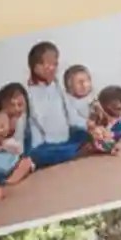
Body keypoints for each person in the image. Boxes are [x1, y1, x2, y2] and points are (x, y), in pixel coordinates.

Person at [23, 41, 89, 169]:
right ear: (36, 67)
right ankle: (74, 151)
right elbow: (34, 126)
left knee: (85, 134)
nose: (53, 68)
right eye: (48, 64)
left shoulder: (57, 86)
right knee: (39, 154)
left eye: (55, 64)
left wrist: (90, 125)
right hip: (45, 144)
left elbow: (71, 115)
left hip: (66, 139)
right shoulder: (28, 93)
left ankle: (76, 149)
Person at [86, 85, 121, 154]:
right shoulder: (99, 114)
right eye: (107, 108)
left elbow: (120, 133)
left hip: (110, 138)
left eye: (116, 107)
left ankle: (109, 147)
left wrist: (111, 135)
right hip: (99, 137)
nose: (109, 109)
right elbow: (91, 124)